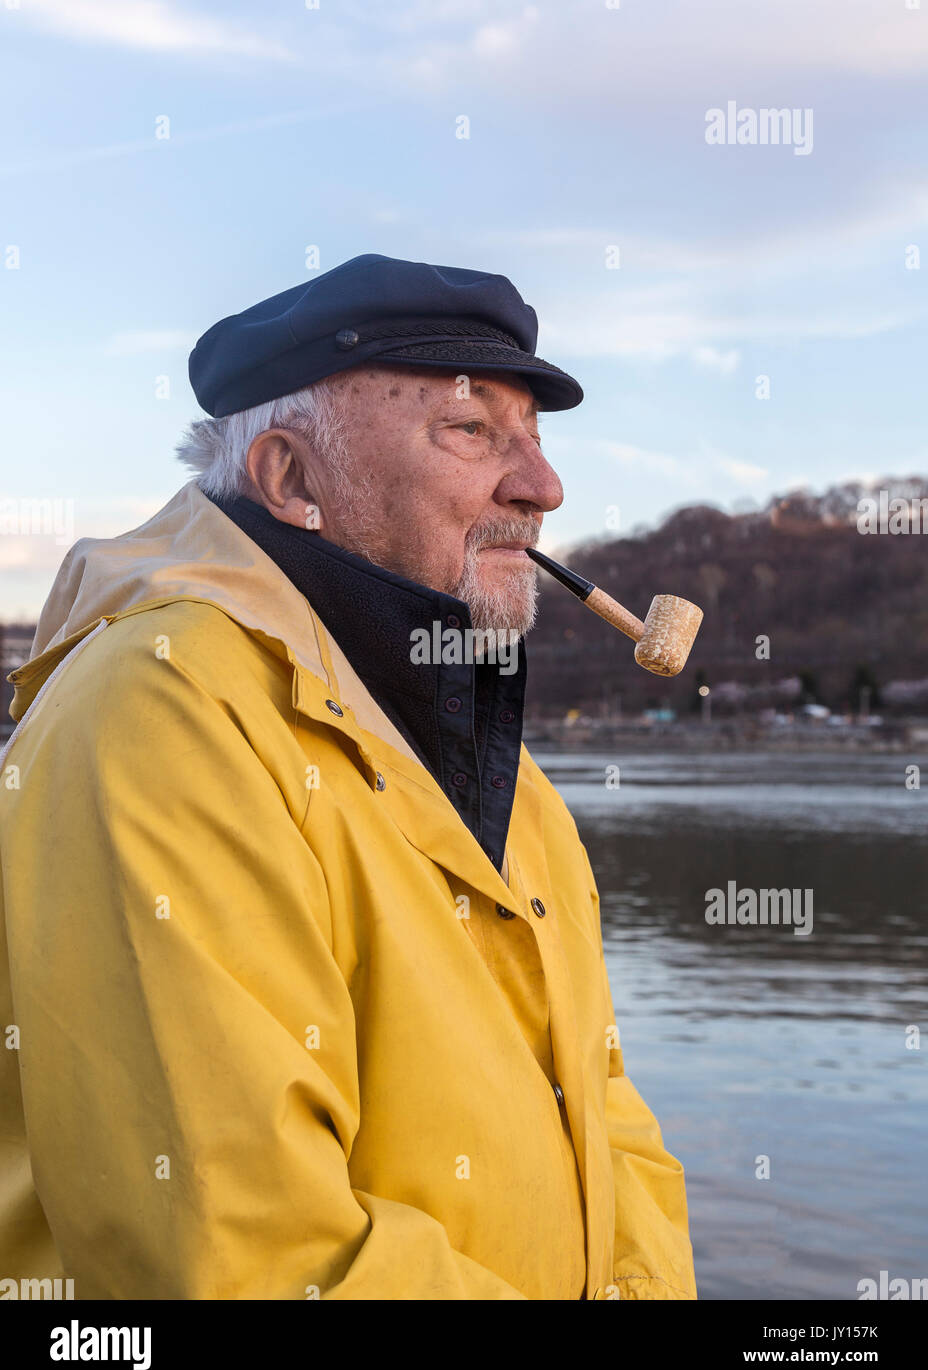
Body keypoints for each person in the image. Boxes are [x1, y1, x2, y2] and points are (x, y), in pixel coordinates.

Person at [0, 253, 697, 1300]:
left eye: (536, 439)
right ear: (291, 479)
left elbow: (611, 1125)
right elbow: (244, 1255)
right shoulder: (164, 708)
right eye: (470, 431)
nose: (543, 487)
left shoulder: (516, 789)